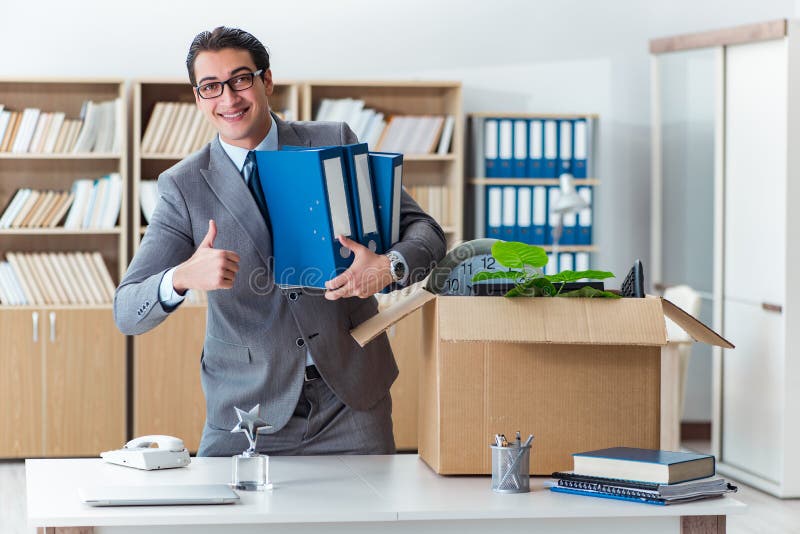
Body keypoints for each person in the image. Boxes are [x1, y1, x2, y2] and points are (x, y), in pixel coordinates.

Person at [114, 26, 446, 457]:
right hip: (245, 413)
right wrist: (180, 277)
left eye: (241, 79)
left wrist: (389, 266)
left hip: (351, 402)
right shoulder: (184, 186)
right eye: (211, 87)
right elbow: (127, 311)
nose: (229, 98)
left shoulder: (334, 141)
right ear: (199, 97)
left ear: (266, 80)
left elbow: (426, 232)